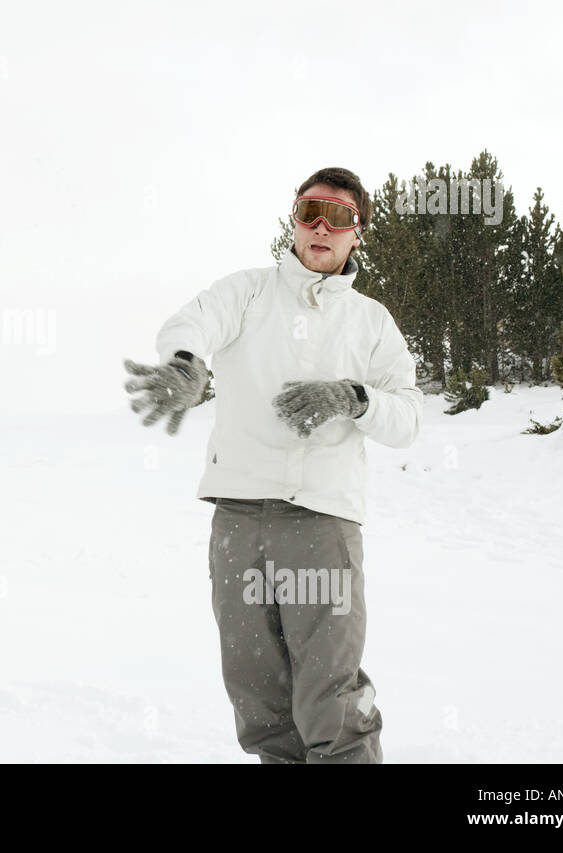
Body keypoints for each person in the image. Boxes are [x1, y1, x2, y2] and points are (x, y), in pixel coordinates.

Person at [123, 167, 422, 764]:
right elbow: (192, 322)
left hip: (322, 523)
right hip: (238, 521)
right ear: (293, 219)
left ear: (356, 233)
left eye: (336, 216)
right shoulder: (249, 291)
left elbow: (408, 417)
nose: (320, 226)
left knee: (331, 699)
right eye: (309, 210)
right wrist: (185, 363)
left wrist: (355, 398)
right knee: (259, 699)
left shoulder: (371, 321)